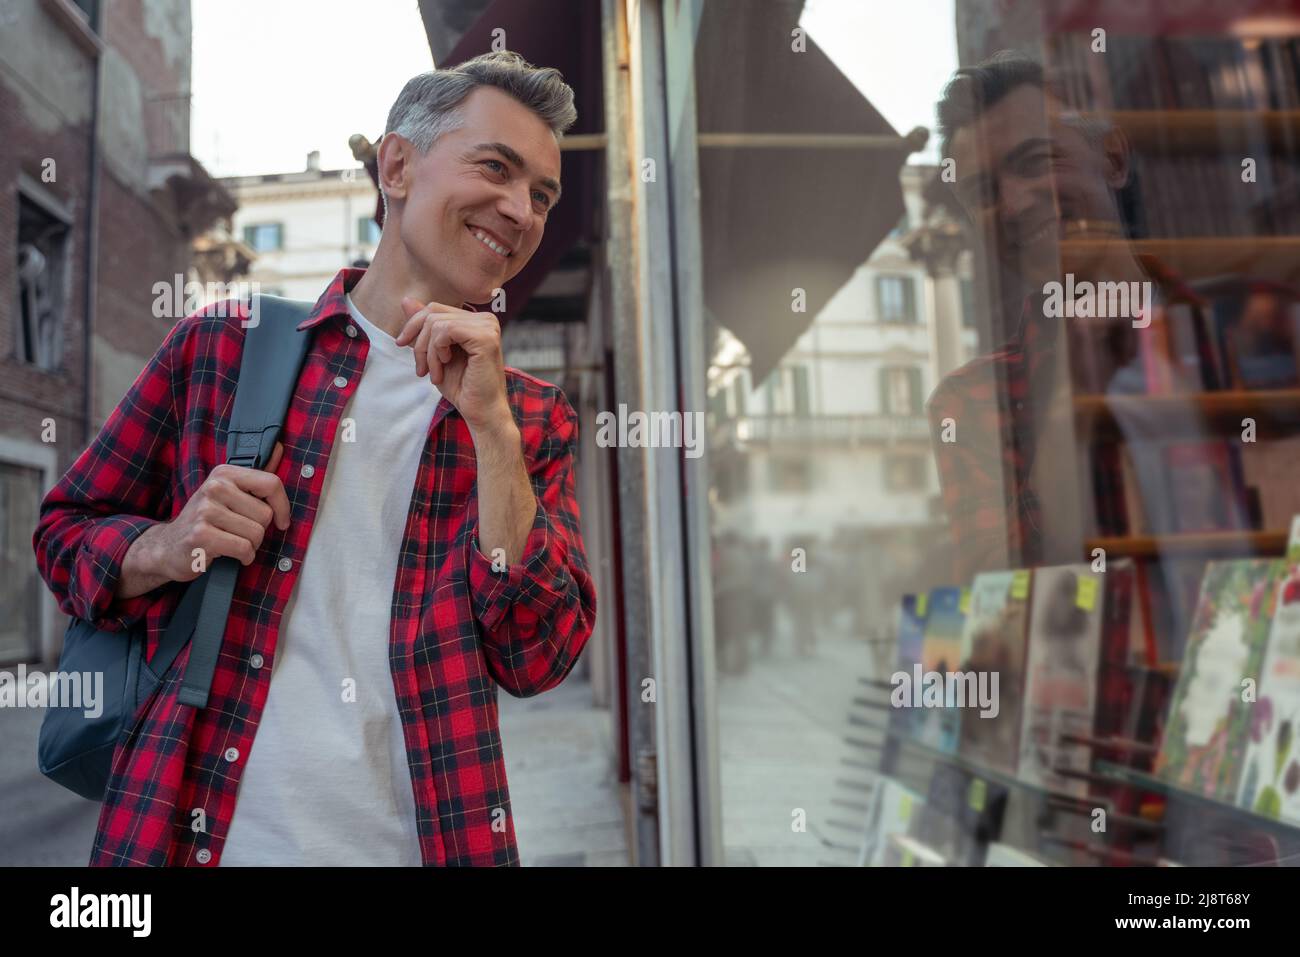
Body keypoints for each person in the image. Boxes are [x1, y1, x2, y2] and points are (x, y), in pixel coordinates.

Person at [32, 51, 596, 867]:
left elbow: (537, 655)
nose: (520, 210)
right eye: (496, 168)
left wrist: (494, 434)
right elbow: (63, 532)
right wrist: (164, 545)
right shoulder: (224, 347)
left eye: (542, 195)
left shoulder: (529, 419)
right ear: (397, 167)